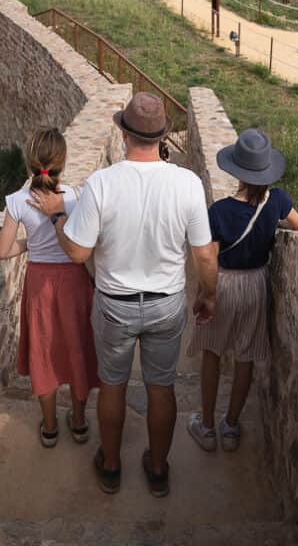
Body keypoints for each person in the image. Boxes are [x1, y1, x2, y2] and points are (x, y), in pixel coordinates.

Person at [30, 92, 218, 498]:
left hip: (115, 304)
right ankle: (157, 470)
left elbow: (79, 252)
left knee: (113, 386)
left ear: (123, 133)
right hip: (167, 303)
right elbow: (204, 255)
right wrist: (207, 295)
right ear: (163, 135)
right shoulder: (187, 184)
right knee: (161, 387)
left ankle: (112, 467)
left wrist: (58, 217)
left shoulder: (101, 184)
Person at [186, 128, 298, 452]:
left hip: (223, 283)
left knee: (212, 352)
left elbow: (207, 257)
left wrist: (205, 294)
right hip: (255, 283)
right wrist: (272, 224)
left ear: (236, 170)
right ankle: (232, 425)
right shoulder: (277, 201)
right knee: (245, 356)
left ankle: (207, 427)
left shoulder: (220, 211)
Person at [0, 127, 99, 449]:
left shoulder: (17, 201)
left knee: (44, 351)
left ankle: (50, 427)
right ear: (63, 162)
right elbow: (85, 243)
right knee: (77, 347)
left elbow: (2, 251)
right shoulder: (75, 196)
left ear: (29, 161)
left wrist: (30, 245)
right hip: (74, 282)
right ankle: (79, 423)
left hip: (40, 283)